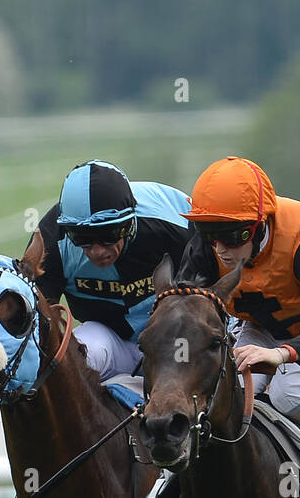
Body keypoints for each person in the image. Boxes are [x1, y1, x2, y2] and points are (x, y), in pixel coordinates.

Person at [176, 156, 300, 467]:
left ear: (260, 223)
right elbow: (185, 310)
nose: (220, 249)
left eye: (232, 236)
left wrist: (282, 354)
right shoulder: (209, 244)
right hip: (259, 327)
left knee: (288, 392)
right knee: (226, 391)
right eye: (209, 234)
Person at [35, 159, 193, 384]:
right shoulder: (53, 240)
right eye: (82, 239)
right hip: (111, 339)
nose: (97, 251)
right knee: (65, 365)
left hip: (179, 340)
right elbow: (41, 326)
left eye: (109, 234)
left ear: (130, 222)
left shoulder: (176, 224)